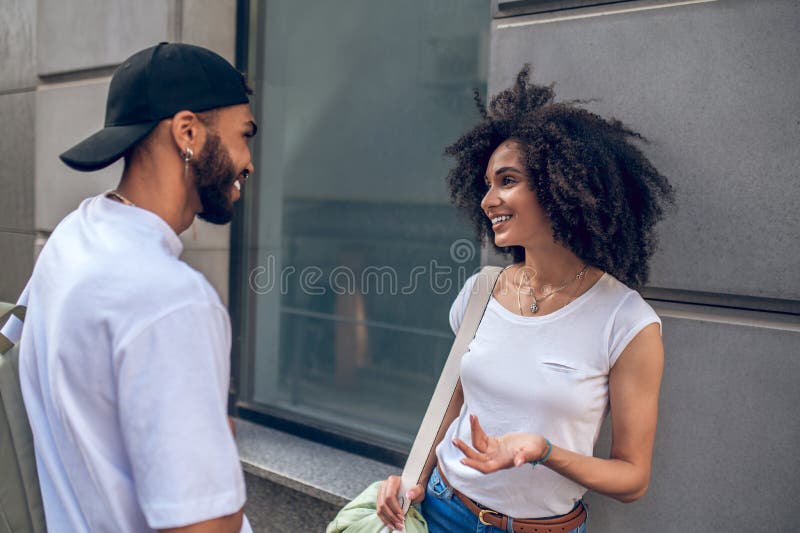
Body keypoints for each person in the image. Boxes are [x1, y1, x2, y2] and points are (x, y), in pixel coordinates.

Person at [377, 66, 674, 532]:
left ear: (560, 186)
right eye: (487, 184)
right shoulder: (481, 291)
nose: (487, 200)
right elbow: (452, 403)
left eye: (507, 181)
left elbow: (632, 478)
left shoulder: (626, 321)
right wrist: (412, 478)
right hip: (441, 510)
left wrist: (543, 451)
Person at [0, 43, 257, 532]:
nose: (247, 162)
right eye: (244, 135)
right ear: (188, 132)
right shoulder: (171, 299)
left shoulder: (73, 237)